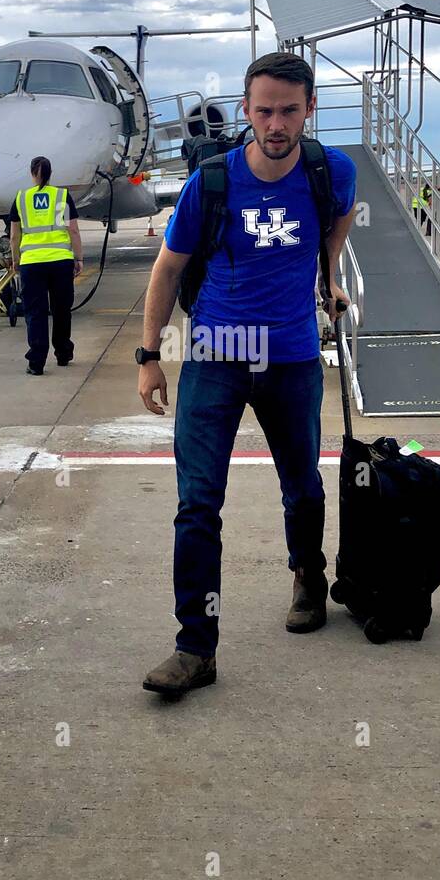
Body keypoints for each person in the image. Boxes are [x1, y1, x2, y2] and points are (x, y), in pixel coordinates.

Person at [137, 52, 357, 698]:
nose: (275, 123)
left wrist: (328, 278)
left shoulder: (329, 172)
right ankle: (193, 647)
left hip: (290, 357)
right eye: (263, 110)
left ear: (308, 108)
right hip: (215, 356)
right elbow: (166, 270)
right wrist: (149, 358)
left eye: (289, 109)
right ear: (244, 110)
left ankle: (307, 577)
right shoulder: (212, 182)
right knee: (197, 505)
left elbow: (336, 224)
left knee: (302, 488)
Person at [10, 156, 83, 375]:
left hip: (32, 264)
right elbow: (73, 230)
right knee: (61, 309)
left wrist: (16, 261)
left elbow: (15, 235)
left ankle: (36, 362)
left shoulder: (21, 198)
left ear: (32, 172)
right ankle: (63, 353)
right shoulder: (62, 196)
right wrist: (78, 258)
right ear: (50, 174)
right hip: (60, 262)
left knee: (35, 313)